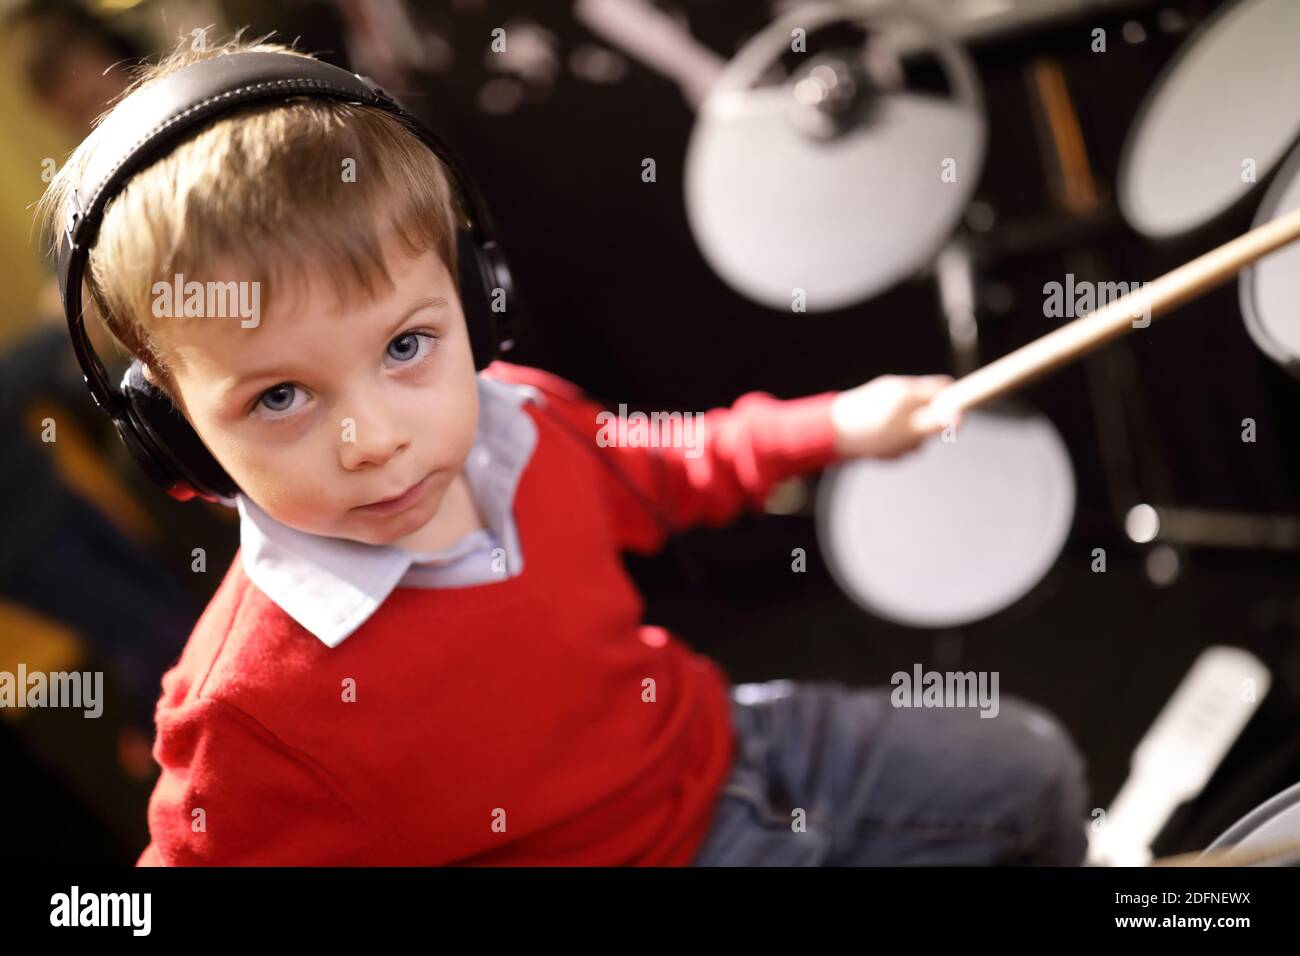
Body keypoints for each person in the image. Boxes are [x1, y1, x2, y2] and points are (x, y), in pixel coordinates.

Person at [36, 34, 1088, 866]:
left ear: (478, 301)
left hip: (729, 741)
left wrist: (840, 425)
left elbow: (674, 460)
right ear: (176, 437)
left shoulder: (519, 417)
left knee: (1035, 774)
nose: (378, 436)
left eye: (406, 344)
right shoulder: (249, 711)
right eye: (278, 395)